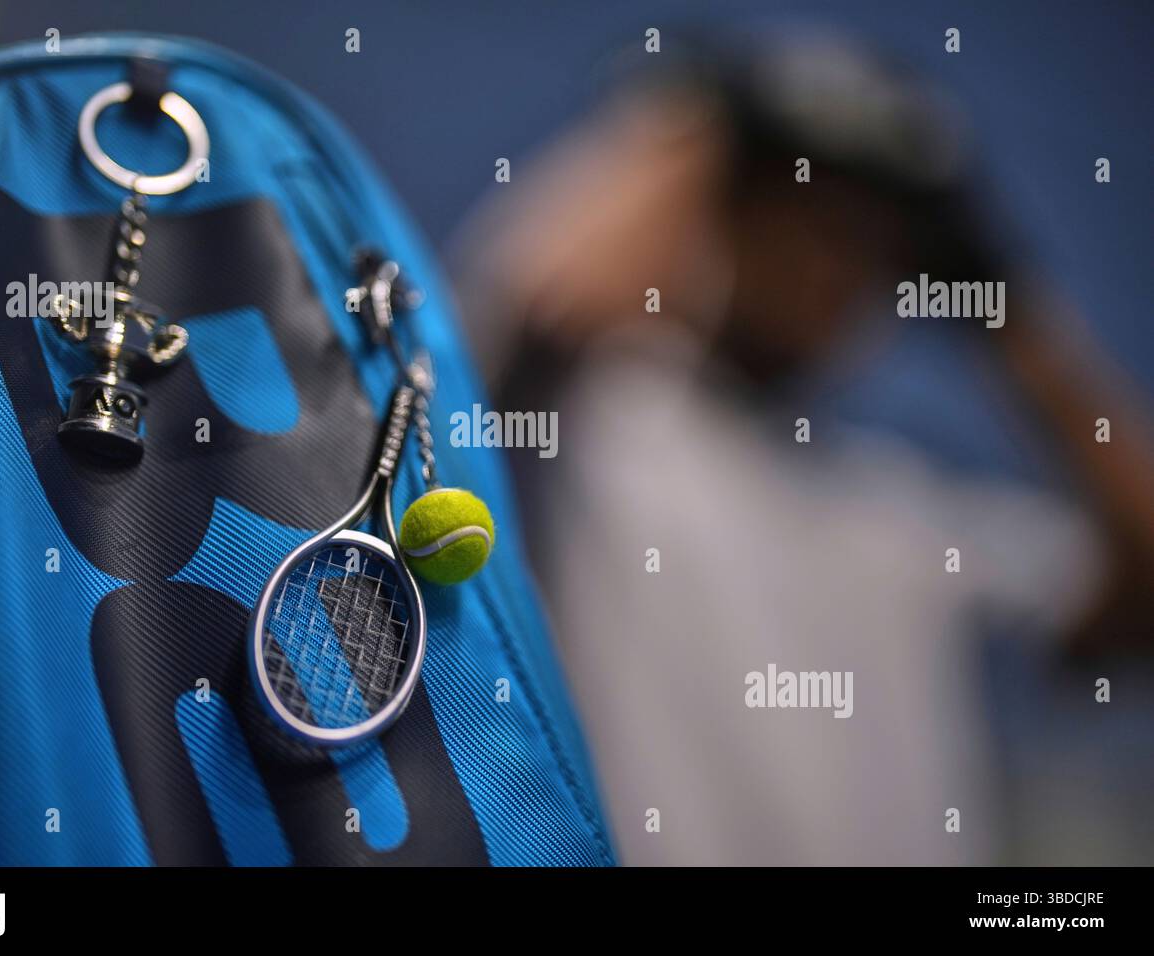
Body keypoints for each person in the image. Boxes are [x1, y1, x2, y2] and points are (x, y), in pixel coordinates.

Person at [452, 34, 1154, 864]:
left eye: (873, 242)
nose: (835, 264)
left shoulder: (910, 515)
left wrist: (1004, 304)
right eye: (803, 213)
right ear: (721, 210)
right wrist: (687, 127)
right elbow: (536, 296)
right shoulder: (597, 420)